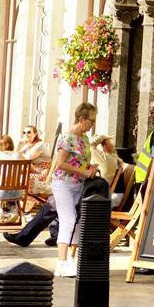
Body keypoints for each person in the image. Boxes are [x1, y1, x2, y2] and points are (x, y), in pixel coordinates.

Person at [49, 104, 99, 278]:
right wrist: (83, 171)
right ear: (81, 119)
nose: (93, 124)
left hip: (79, 184)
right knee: (68, 219)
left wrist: (90, 168)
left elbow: (81, 161)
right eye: (91, 121)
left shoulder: (84, 138)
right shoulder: (67, 137)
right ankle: (60, 264)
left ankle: (71, 259)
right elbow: (60, 164)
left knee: (78, 220)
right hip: (63, 183)